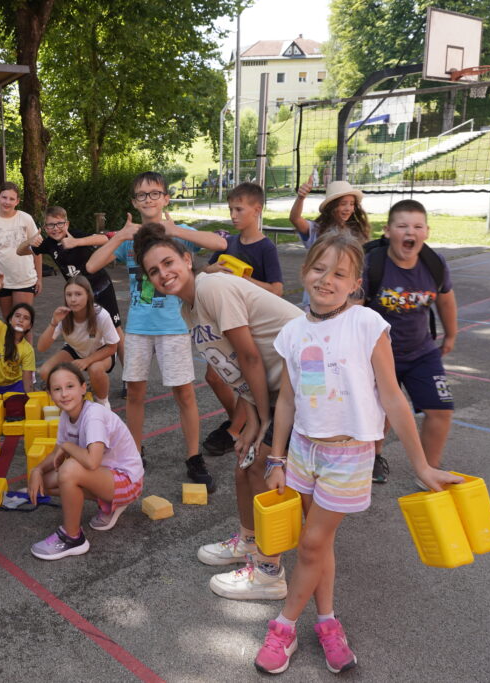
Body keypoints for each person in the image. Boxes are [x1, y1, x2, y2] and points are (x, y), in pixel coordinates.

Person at [251, 232, 462, 675]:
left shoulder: (366, 324)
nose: (326, 279)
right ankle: (327, 622)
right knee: (318, 544)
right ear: (305, 271)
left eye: (340, 273)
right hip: (304, 451)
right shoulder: (293, 332)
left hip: (348, 457)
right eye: (319, 269)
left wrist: (422, 464)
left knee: (310, 543)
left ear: (355, 284)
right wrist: (276, 458)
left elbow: (392, 397)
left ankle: (284, 626)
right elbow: (287, 401)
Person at [134, 220, 302, 600]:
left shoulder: (213, 287)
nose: (163, 274)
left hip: (302, 381)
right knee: (243, 463)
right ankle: (248, 541)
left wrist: (259, 423)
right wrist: (249, 423)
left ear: (187, 259)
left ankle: (269, 573)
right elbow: (236, 368)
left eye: (168, 263)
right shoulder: (187, 309)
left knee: (261, 464)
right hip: (270, 390)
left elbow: (250, 357)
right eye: (154, 272)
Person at [86, 171, 227, 491]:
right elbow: (92, 266)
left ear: (166, 198)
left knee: (184, 393)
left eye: (154, 194)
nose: (148, 200)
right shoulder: (130, 239)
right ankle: (134, 452)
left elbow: (220, 242)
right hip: (137, 329)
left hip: (175, 327)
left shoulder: (179, 233)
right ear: (134, 202)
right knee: (135, 393)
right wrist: (120, 236)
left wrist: (173, 228)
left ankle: (193, 457)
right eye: (141, 195)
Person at [361, 199, 457, 485]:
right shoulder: (372, 265)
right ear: (388, 231)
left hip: (421, 352)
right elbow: (353, 308)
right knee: (382, 413)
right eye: (402, 226)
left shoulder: (434, 263)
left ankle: (428, 470)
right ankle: (375, 454)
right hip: (378, 353)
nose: (409, 232)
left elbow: (446, 298)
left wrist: (451, 333)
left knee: (441, 409)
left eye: (416, 226)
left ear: (426, 231)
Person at [202, 182, 285, 462]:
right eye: (230, 209)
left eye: (239, 209)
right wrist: (212, 269)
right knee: (215, 376)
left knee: (242, 376)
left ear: (257, 210)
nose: (233, 215)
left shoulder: (266, 248)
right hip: (226, 321)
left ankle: (235, 429)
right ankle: (237, 422)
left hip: (253, 326)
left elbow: (277, 290)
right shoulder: (230, 243)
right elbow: (208, 269)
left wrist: (244, 280)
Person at [28, 362, 144, 560]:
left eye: (70, 386)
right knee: (43, 483)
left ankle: (73, 538)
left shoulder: (93, 416)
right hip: (106, 476)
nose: (64, 394)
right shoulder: (67, 415)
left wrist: (67, 447)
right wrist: (37, 471)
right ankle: (110, 504)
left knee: (70, 469)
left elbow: (91, 462)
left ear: (84, 388)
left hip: (128, 481)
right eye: (57, 389)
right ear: (50, 394)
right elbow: (57, 450)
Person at [17, 205, 124, 367]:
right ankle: (90, 367)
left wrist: (76, 242)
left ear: (67, 224)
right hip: (78, 295)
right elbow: (20, 251)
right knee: (88, 330)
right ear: (45, 228)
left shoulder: (76, 234)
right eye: (50, 225)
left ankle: (128, 377)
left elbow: (104, 238)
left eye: (60, 224)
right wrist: (29, 241)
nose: (55, 229)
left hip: (101, 287)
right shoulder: (48, 243)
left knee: (116, 330)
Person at [36, 276, 119, 408]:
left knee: (95, 368)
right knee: (46, 371)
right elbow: (41, 347)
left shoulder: (101, 315)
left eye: (78, 294)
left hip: (101, 351)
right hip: (75, 349)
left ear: (88, 295)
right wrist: (53, 323)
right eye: (69, 295)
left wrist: (87, 361)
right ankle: (73, 396)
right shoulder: (63, 315)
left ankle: (103, 402)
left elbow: (112, 348)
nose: (73, 299)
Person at [0, 181, 42, 320]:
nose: (7, 202)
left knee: (24, 323)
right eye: (4, 197)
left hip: (24, 278)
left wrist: (39, 278)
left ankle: (27, 344)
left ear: (17, 201)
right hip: (1, 281)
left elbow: (37, 249)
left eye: (12, 199)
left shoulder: (26, 218)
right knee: (9, 322)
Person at [0, 274, 35, 393]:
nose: (21, 320)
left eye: (26, 318)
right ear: (10, 320)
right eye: (17, 316)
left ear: (30, 326)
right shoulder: (0, 329)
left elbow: (27, 381)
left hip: (14, 386)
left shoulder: (28, 350)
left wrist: (30, 401)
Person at [288, 179, 371, 248]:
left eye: (352, 204)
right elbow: (295, 218)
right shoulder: (316, 229)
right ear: (331, 206)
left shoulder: (357, 230)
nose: (348, 208)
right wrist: (300, 198)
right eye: (343, 204)